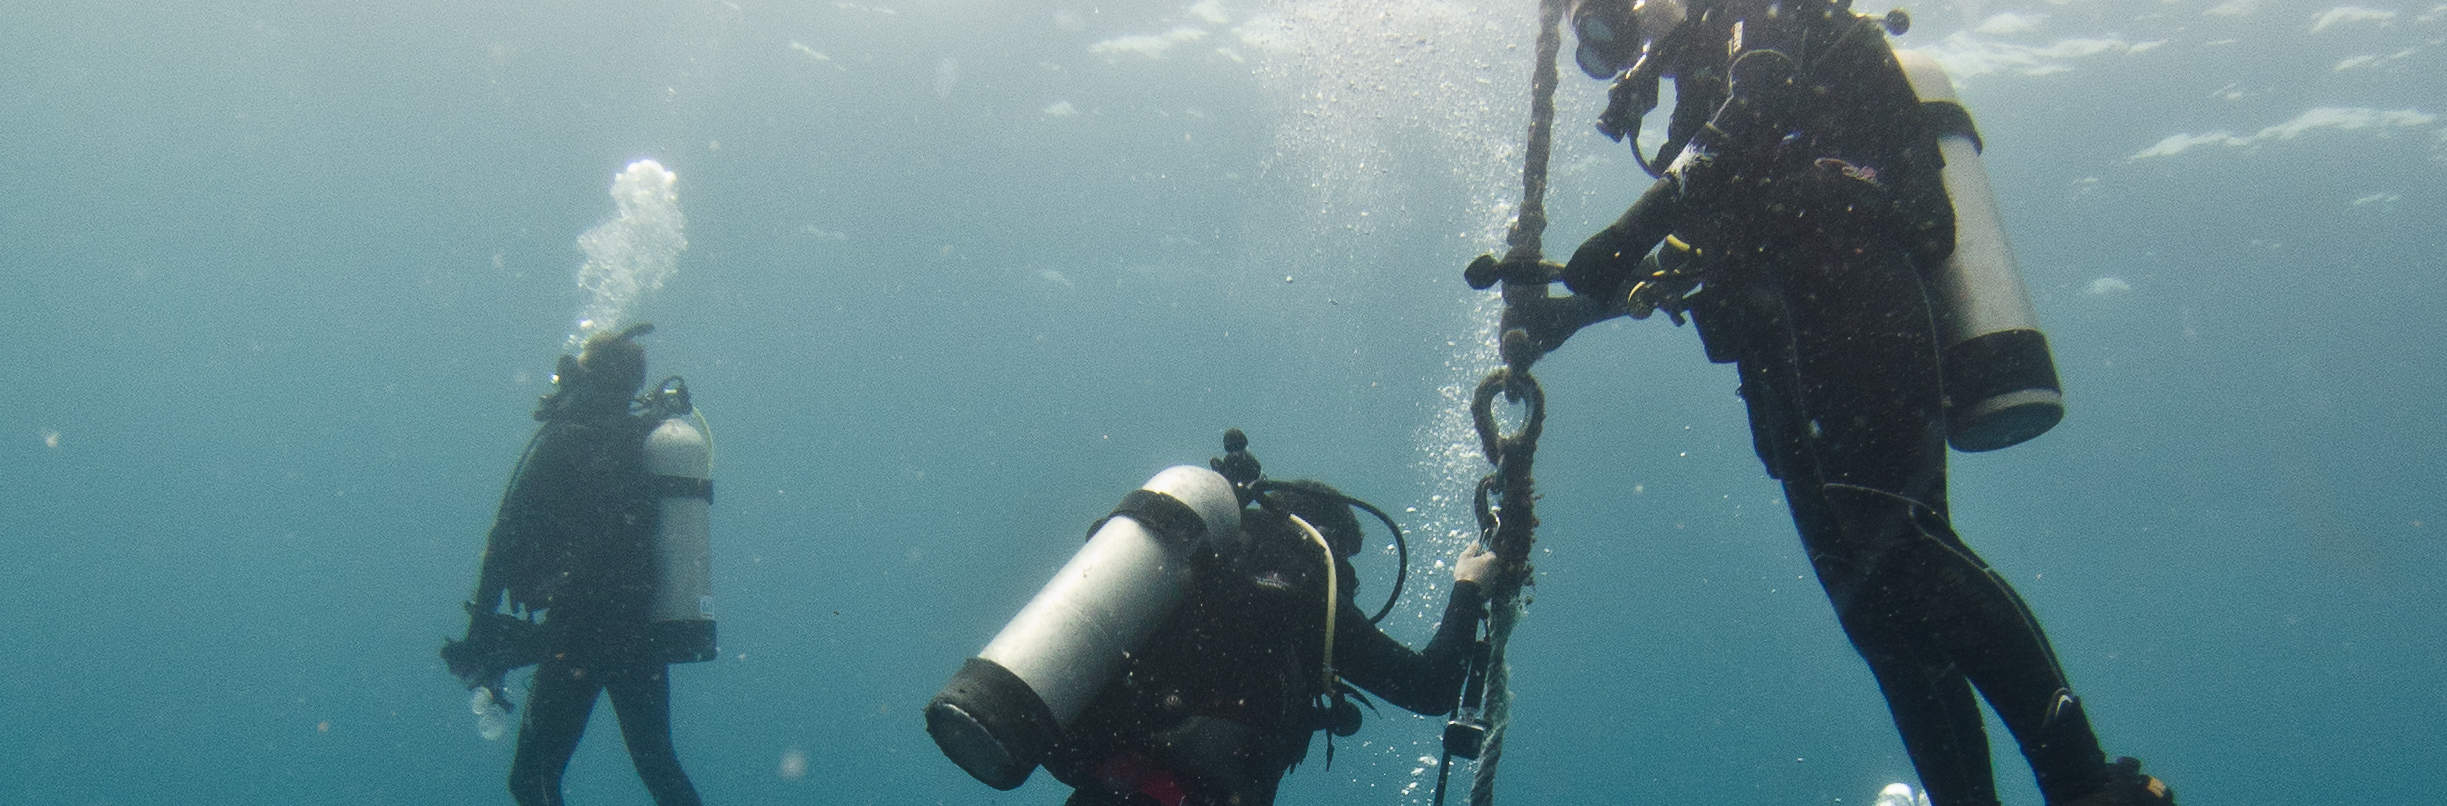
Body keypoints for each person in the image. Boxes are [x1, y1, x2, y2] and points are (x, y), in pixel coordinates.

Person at [1538, 2, 2176, 804]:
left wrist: (1627, 232)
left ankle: (2087, 785)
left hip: (1849, 283)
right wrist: (1570, 313)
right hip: (1780, 342)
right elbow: (1710, 226)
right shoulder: (1701, 91)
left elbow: (1758, 105)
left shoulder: (1754, 17)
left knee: (1894, 534)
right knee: (1869, 605)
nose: (1627, 31)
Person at [1042, 431, 1515, 806]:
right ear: (1322, 539)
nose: (1346, 577)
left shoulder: (1189, 571)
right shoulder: (1297, 586)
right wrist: (1468, 586)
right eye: (1344, 559)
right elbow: (1429, 687)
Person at [443, 324, 704, 806]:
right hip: (640, 632)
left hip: (578, 634)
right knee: (659, 766)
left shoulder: (564, 441)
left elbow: (503, 541)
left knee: (532, 780)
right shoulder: (646, 439)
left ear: (585, 378)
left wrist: (479, 629)